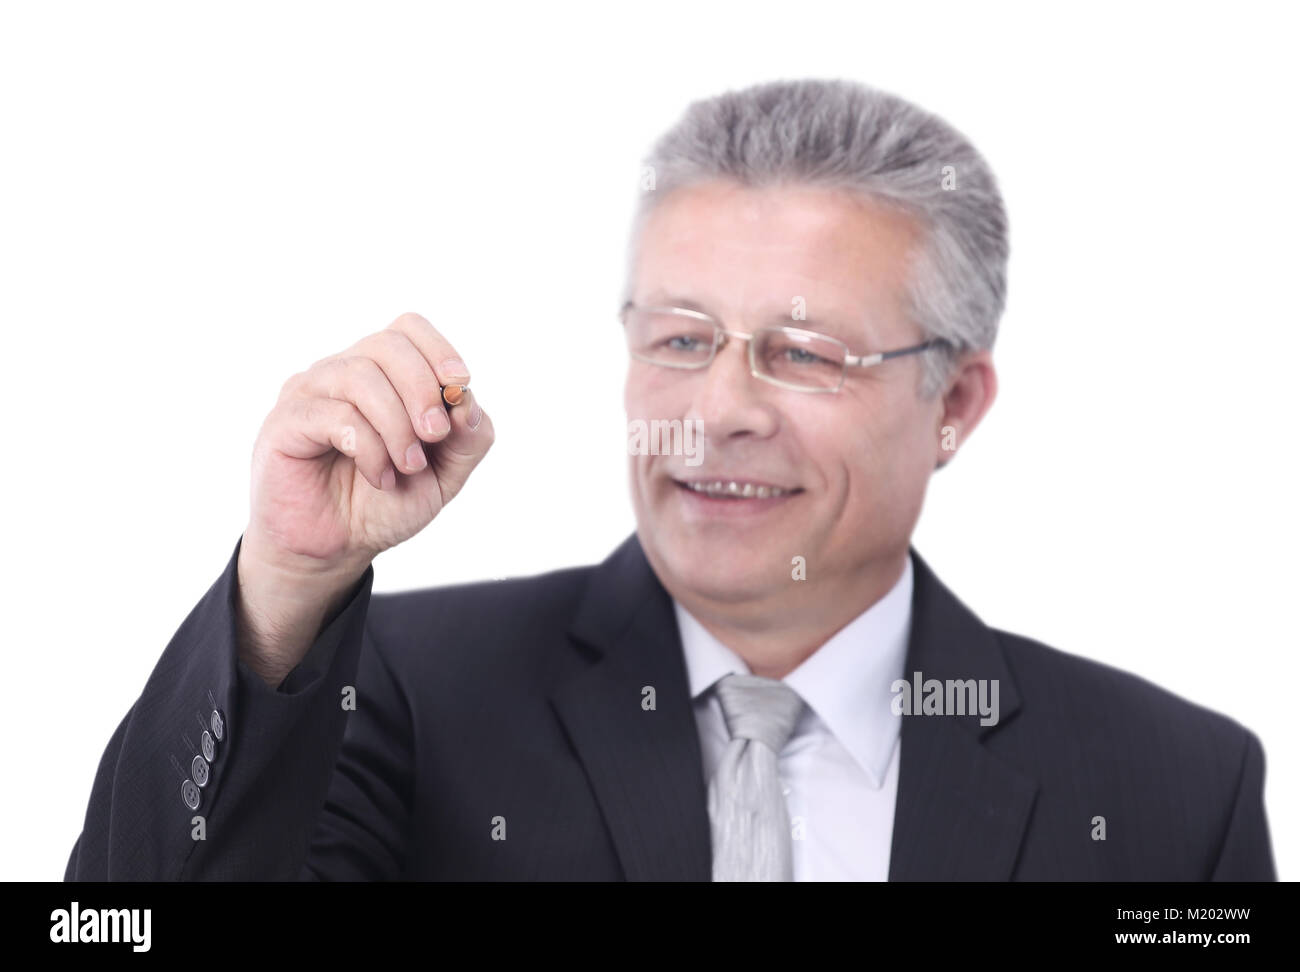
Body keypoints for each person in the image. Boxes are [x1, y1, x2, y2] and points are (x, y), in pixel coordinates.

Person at [64, 78, 1276, 881]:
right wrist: (287, 587)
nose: (722, 411)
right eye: (681, 339)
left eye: (803, 353)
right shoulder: (403, 694)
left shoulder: (1176, 795)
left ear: (952, 404)